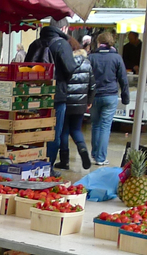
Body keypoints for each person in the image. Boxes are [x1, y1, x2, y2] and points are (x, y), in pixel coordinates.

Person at [25, 17, 78, 171]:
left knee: (35, 129)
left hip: (35, 95)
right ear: (64, 29)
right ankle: (47, 166)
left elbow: (27, 68)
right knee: (53, 131)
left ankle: (32, 162)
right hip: (57, 96)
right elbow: (70, 69)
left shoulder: (35, 44)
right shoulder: (62, 44)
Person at [87, 31, 130, 166]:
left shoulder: (91, 57)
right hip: (110, 96)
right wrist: (125, 97)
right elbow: (123, 79)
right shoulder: (117, 58)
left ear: (99, 43)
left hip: (94, 96)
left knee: (95, 125)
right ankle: (100, 157)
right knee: (105, 126)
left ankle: (95, 154)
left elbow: (87, 78)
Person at [54, 36, 92, 171]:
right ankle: (83, 151)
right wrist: (89, 101)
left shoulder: (65, 62)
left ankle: (64, 161)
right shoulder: (87, 62)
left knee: (64, 131)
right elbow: (92, 84)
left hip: (66, 100)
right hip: (81, 102)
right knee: (76, 129)